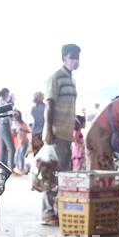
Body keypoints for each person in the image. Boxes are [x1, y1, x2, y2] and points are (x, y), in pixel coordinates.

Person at [41, 44, 80, 224]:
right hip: (56, 133)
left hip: (67, 133)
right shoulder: (55, 78)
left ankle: (58, 210)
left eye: (77, 57)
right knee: (52, 173)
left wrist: (75, 121)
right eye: (72, 56)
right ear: (64, 57)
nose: (76, 60)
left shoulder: (71, 80)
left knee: (63, 174)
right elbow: (49, 105)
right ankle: (48, 212)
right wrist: (49, 129)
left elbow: (68, 105)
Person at [0, 88, 15, 166]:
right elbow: (3, 117)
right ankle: (11, 168)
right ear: (5, 94)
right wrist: (11, 114)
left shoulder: (1, 102)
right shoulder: (2, 103)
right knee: (11, 148)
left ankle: (2, 168)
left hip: (2, 127)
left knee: (3, 149)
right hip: (4, 125)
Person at [13, 110, 32, 174]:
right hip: (19, 142)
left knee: (21, 155)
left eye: (16, 115)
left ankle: (21, 168)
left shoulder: (23, 123)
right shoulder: (15, 123)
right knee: (17, 155)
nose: (15, 116)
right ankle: (18, 168)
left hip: (24, 141)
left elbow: (29, 131)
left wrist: (23, 130)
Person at [30, 91, 46, 155]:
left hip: (35, 132)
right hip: (43, 132)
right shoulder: (46, 107)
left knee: (36, 153)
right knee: (44, 153)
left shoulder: (33, 108)